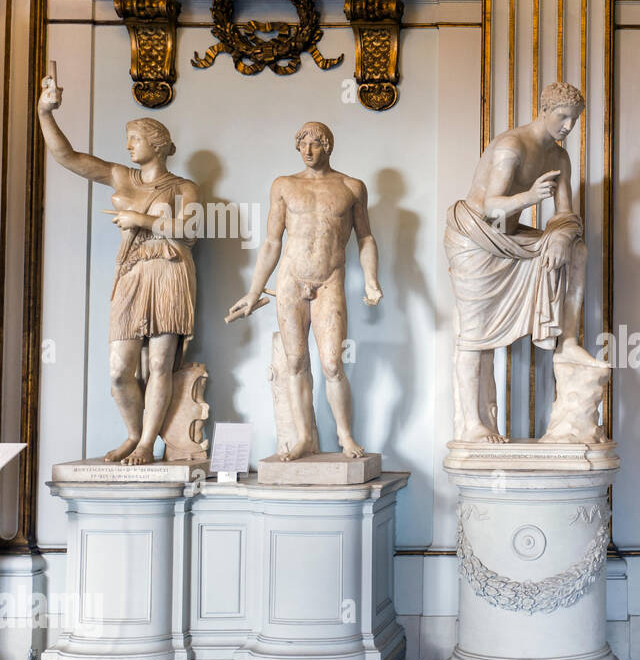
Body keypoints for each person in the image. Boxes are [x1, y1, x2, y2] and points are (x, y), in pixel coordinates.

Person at [38, 73, 200, 465]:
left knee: (160, 364)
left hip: (169, 269)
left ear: (157, 144)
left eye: (136, 138)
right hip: (131, 272)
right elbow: (67, 157)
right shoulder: (118, 176)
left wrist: (140, 220)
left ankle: (147, 443)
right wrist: (45, 113)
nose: (128, 145)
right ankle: (132, 434)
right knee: (118, 371)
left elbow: (191, 232)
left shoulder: (183, 187)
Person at [445, 80, 598, 443]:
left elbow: (565, 213)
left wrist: (561, 234)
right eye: (562, 117)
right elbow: (488, 207)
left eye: (574, 120)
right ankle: (473, 424)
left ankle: (569, 340)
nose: (568, 127)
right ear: (543, 110)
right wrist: (529, 196)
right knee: (474, 335)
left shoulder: (559, 157)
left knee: (577, 251)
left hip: (511, 239)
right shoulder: (512, 146)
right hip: (475, 238)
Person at [227, 122, 383, 460]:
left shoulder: (351, 187)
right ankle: (303, 438)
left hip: (329, 280)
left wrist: (371, 279)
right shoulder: (284, 185)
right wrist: (254, 291)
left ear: (328, 146)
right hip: (291, 279)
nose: (308, 151)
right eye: (302, 144)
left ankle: (345, 436)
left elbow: (365, 237)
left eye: (315, 144)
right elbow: (271, 241)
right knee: (295, 361)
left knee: (331, 364)